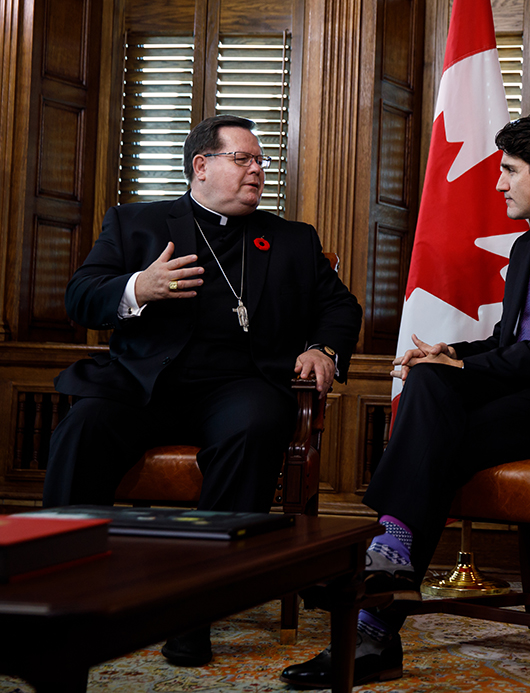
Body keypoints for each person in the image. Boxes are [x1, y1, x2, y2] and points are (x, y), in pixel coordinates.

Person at [280, 112, 530, 688]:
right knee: (428, 383)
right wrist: (451, 351)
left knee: (434, 431)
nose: (498, 182)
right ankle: (385, 583)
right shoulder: (528, 250)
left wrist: (463, 366)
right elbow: (510, 342)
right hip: (527, 391)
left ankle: (381, 587)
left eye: (509, 170)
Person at [42, 114, 363, 666]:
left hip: (239, 385)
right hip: (144, 384)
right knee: (83, 429)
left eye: (261, 162)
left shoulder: (290, 239)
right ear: (201, 166)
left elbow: (340, 307)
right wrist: (137, 287)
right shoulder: (134, 224)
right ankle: (57, 593)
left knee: (257, 425)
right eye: (243, 159)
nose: (258, 170)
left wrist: (323, 350)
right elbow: (80, 297)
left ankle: (195, 607)